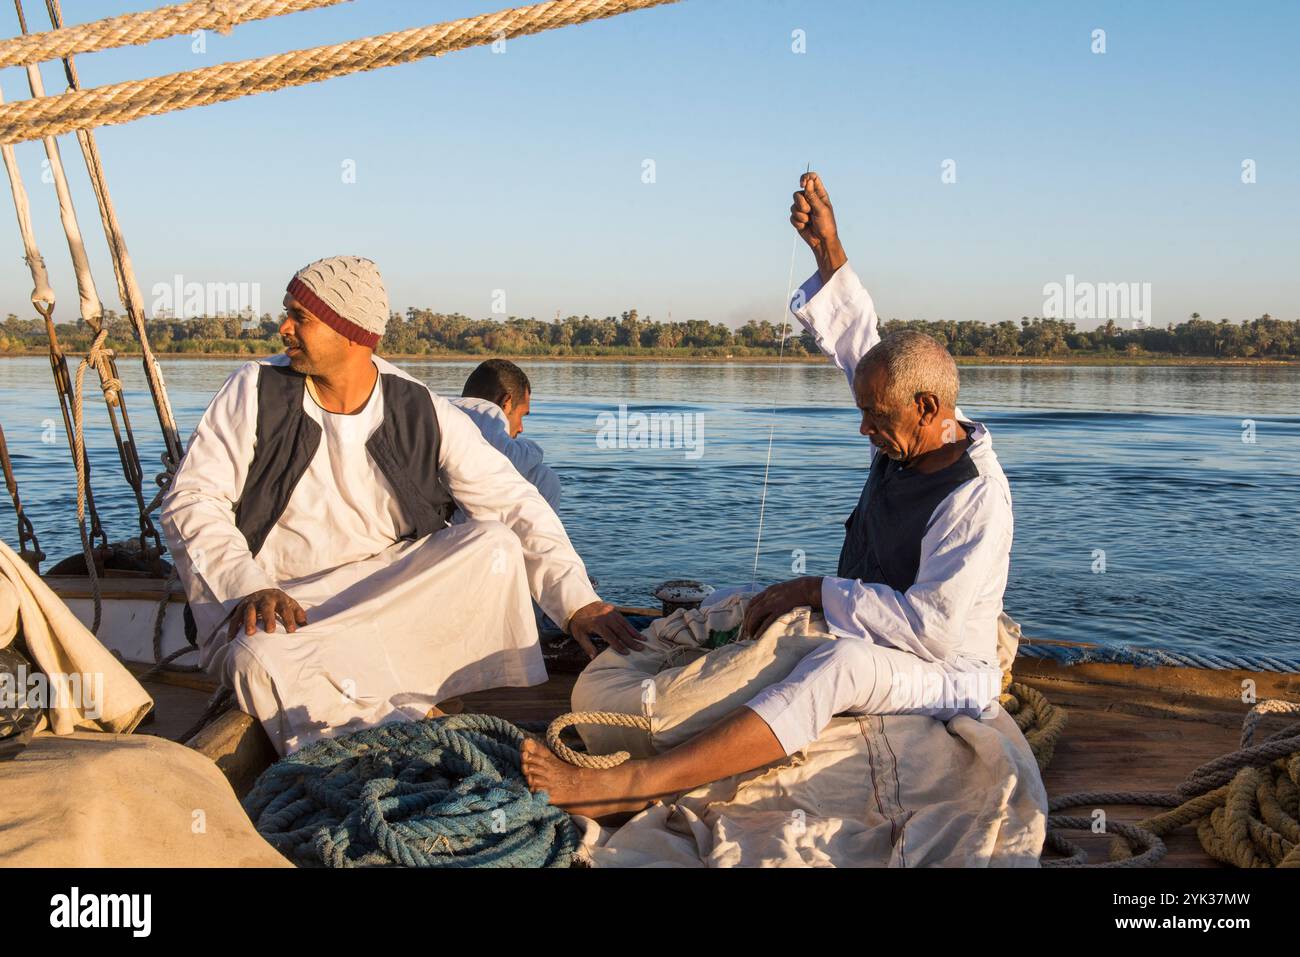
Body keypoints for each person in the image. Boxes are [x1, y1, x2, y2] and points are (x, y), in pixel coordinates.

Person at [522, 173, 1014, 818]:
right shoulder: (912, 430)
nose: (863, 428)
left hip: (947, 670)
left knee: (838, 668)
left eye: (875, 416)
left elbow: (936, 632)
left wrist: (813, 592)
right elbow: (858, 343)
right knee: (743, 605)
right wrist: (826, 248)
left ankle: (631, 781)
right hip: (874, 623)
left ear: (927, 407)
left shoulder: (974, 498)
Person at [161, 256, 643, 755]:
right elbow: (192, 500)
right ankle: (406, 723)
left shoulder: (418, 406)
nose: (282, 328)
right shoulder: (254, 389)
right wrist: (247, 586)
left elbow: (514, 501)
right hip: (283, 608)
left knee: (493, 540)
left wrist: (578, 602)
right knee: (255, 659)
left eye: (299, 317)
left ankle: (394, 701)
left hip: (389, 594)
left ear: (353, 334)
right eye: (288, 313)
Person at [451, 359, 560, 510]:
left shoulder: (447, 409)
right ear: (506, 403)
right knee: (544, 477)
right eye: (521, 415)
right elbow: (506, 458)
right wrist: (536, 450)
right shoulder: (486, 411)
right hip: (459, 525)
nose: (521, 428)